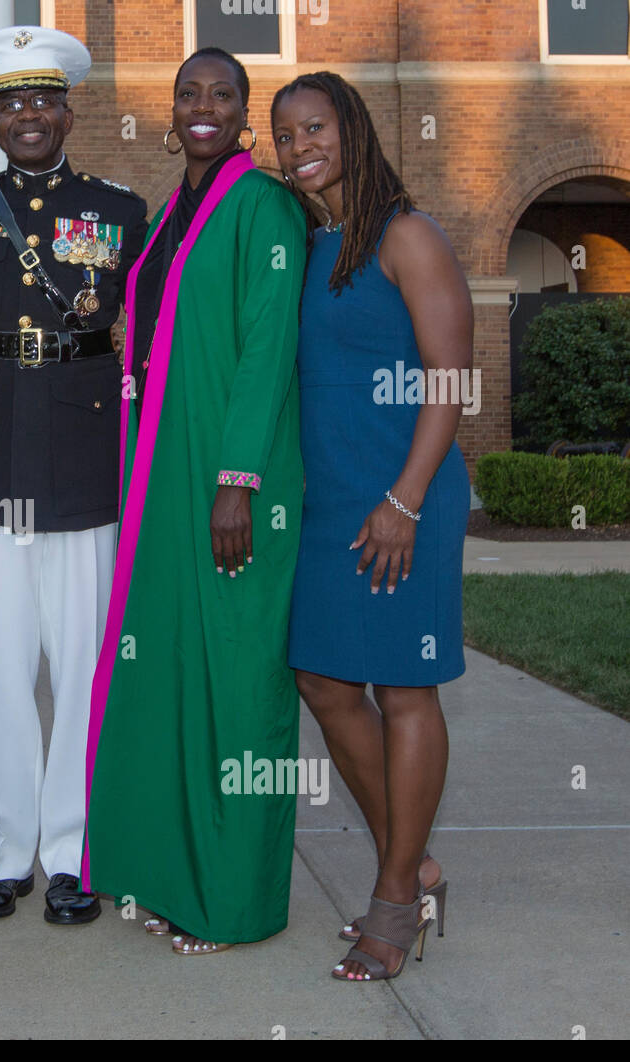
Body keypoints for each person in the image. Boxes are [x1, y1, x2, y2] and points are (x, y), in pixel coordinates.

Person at [0, 26, 148, 925]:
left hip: (84, 446)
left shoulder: (120, 209)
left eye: (43, 99)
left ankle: (71, 852)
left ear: (67, 108)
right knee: (0, 664)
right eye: (10, 101)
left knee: (84, 661)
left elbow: (155, 316)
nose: (27, 115)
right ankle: (0, 853)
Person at [82, 47, 306, 955]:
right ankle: (174, 872)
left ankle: (236, 901)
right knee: (174, 671)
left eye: (222, 94)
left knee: (239, 675)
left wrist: (237, 482)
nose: (202, 106)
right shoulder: (172, 209)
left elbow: (265, 351)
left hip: (229, 481)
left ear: (244, 113)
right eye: (188, 93)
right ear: (169, 111)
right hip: (160, 474)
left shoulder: (264, 204)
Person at [272, 72, 468, 982]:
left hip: (404, 498)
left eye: (315, 126)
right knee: (322, 677)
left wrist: (406, 500)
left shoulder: (408, 236)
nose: (298, 144)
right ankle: (414, 861)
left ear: (353, 130)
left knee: (403, 690)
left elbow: (449, 381)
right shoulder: (309, 246)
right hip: (331, 505)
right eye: (284, 133)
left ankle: (394, 902)